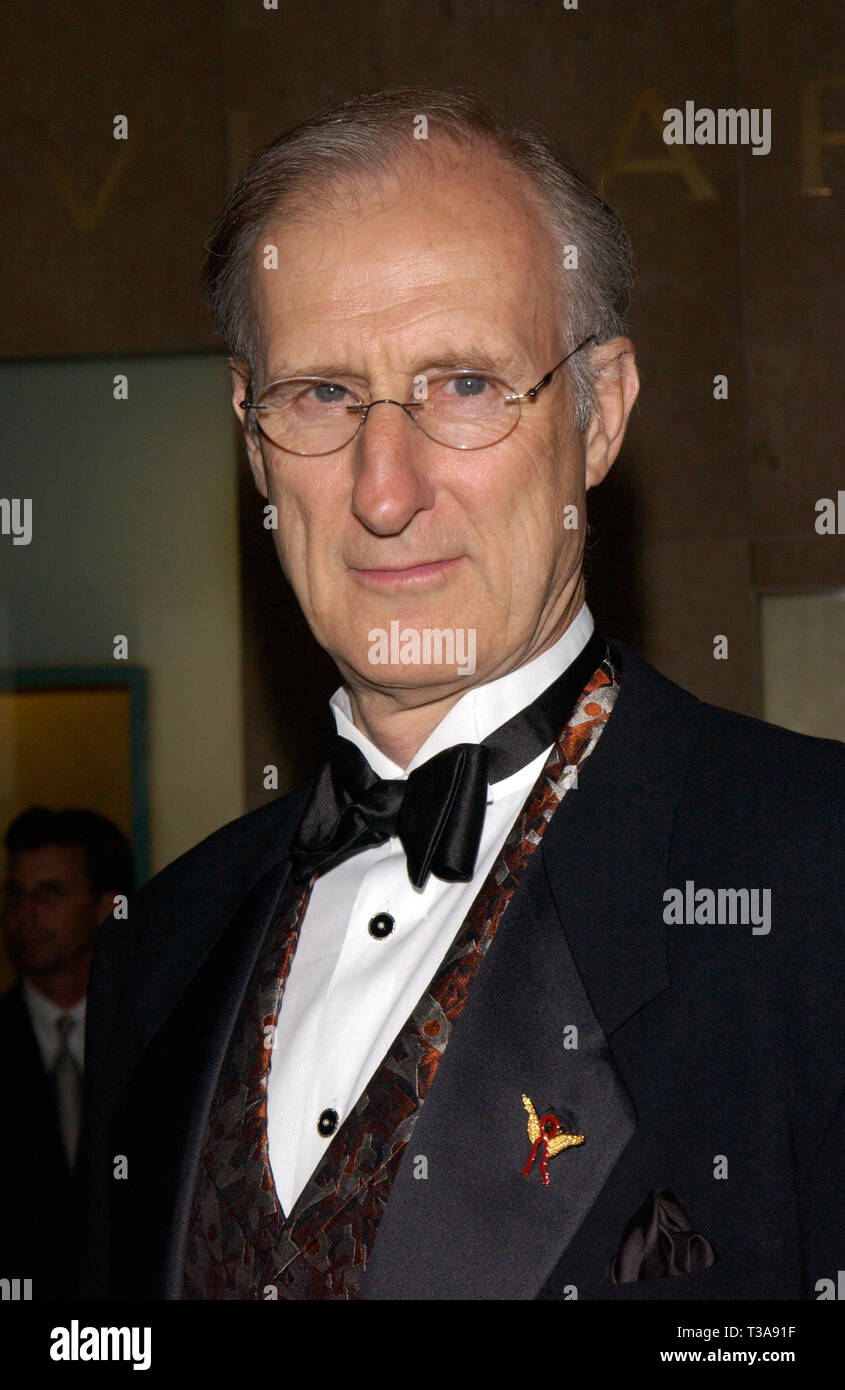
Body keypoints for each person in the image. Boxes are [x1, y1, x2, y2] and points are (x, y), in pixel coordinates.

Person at [79, 87, 843, 1301]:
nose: (385, 489)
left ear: (599, 417)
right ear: (250, 434)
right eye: (322, 394)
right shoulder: (161, 946)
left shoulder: (811, 881)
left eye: (466, 386)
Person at [0, 806, 132, 1299]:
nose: (24, 913)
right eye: (15, 893)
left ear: (106, 907)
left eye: (51, 893)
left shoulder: (145, 1042)